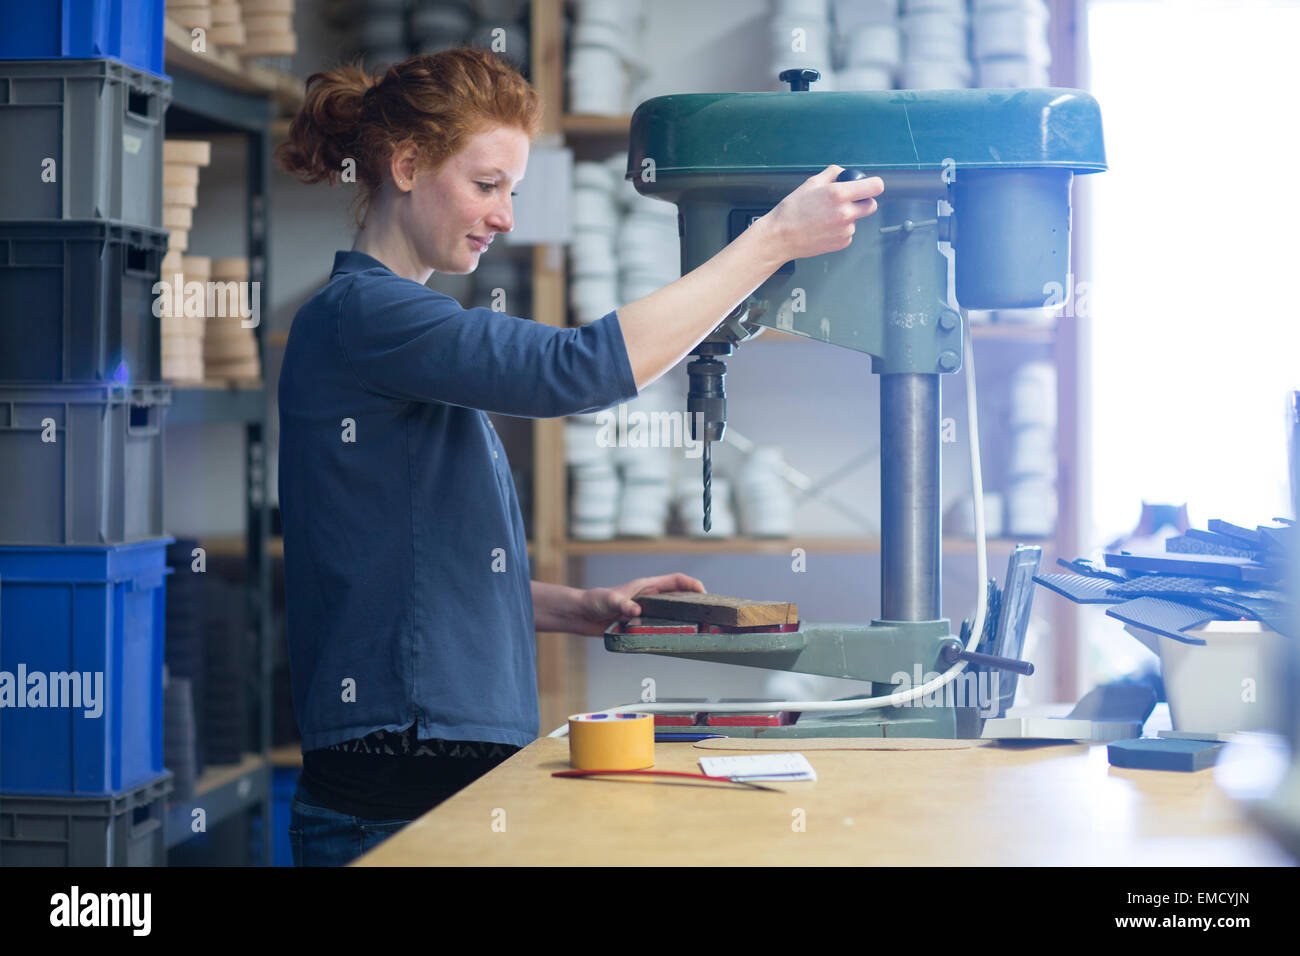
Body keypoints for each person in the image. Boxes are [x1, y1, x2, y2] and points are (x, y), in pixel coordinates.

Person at [273, 47, 883, 866]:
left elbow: (412, 574)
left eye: (512, 191)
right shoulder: (363, 317)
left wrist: (577, 606)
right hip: (395, 788)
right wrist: (771, 241)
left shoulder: (393, 328)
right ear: (408, 166)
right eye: (486, 185)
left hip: (427, 773)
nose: (505, 216)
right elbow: (577, 369)